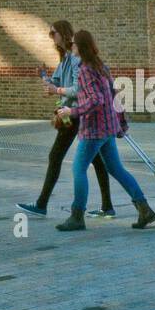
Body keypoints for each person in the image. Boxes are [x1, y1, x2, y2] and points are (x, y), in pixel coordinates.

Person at [55, 29, 155, 232]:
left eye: (73, 44)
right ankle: (144, 209)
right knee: (116, 168)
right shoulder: (101, 66)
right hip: (109, 127)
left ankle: (77, 216)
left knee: (78, 169)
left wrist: (71, 111)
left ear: (81, 47)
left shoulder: (85, 70)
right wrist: (122, 124)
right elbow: (114, 95)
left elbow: (96, 100)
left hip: (94, 130)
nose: (71, 47)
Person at [18, 21, 115, 219]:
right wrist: (45, 79)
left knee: (56, 157)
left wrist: (58, 91)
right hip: (75, 113)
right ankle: (107, 206)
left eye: (53, 33)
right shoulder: (64, 59)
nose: (50, 36)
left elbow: (79, 89)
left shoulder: (74, 58)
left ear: (63, 34)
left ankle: (42, 204)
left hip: (75, 113)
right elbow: (57, 82)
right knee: (98, 160)